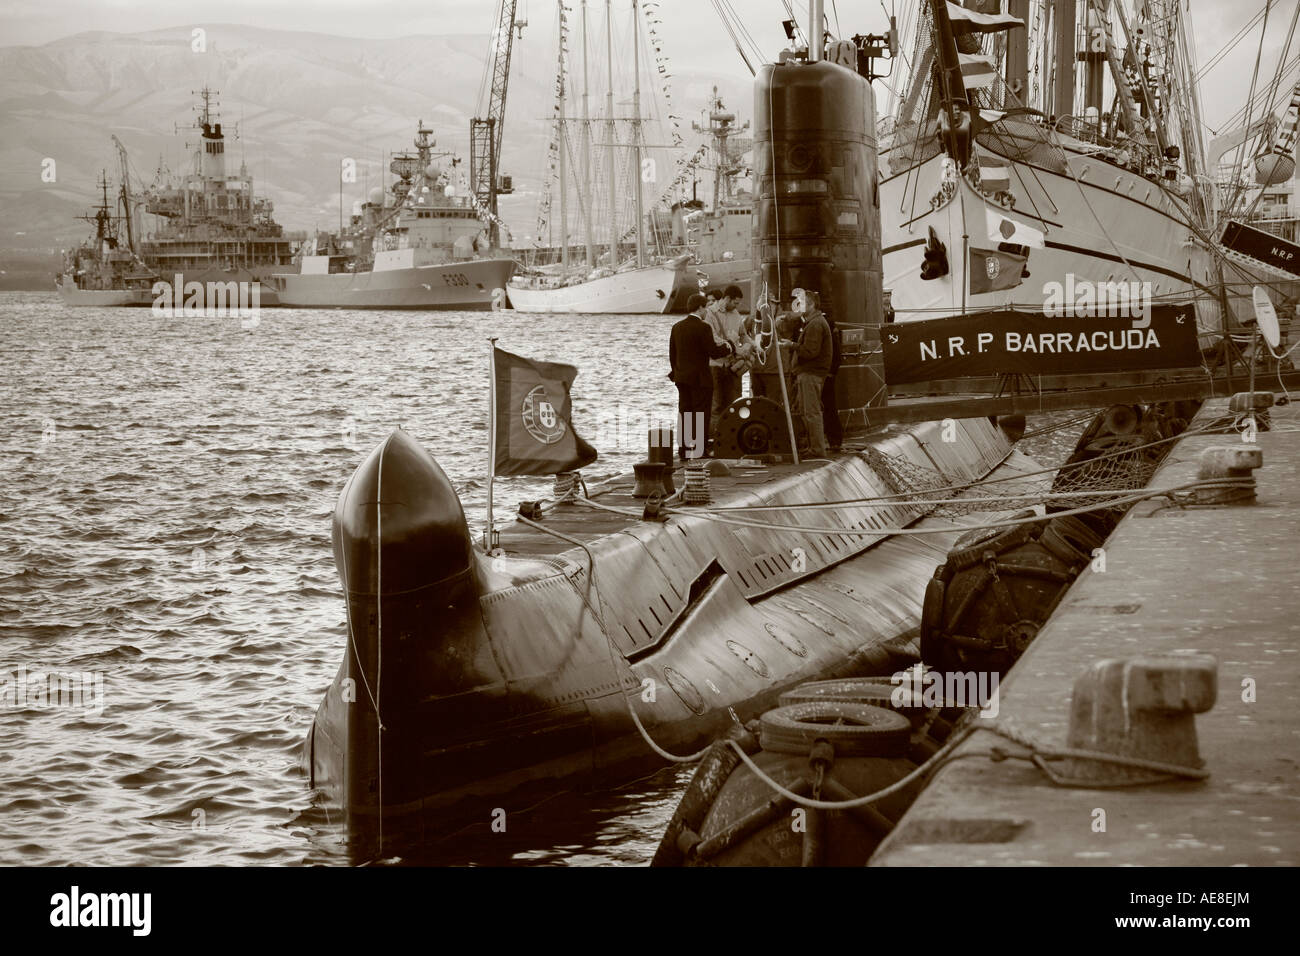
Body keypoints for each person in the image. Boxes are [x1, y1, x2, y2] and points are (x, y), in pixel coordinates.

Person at [669, 293, 733, 460]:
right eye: (705, 308)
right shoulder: (704, 327)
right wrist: (730, 346)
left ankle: (684, 450)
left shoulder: (677, 327)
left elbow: (672, 354)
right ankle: (697, 450)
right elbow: (713, 352)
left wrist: (676, 372)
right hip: (700, 379)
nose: (706, 311)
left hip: (681, 378)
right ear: (700, 308)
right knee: (700, 414)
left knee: (685, 412)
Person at [786, 289, 832, 458]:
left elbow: (810, 351)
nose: (798, 305)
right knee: (807, 411)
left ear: (811, 305)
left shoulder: (815, 324)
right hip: (809, 373)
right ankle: (814, 447)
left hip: (810, 373)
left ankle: (817, 449)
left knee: (811, 412)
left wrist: (791, 345)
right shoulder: (814, 322)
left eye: (802, 302)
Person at [704, 285, 752, 436]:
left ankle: (730, 438)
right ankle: (714, 440)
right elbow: (712, 338)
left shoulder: (736, 314)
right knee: (716, 405)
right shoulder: (710, 314)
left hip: (732, 365)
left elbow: (743, 334)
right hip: (716, 365)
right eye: (735, 303)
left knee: (733, 403)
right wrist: (736, 348)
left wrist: (750, 345)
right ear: (727, 299)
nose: (737, 306)